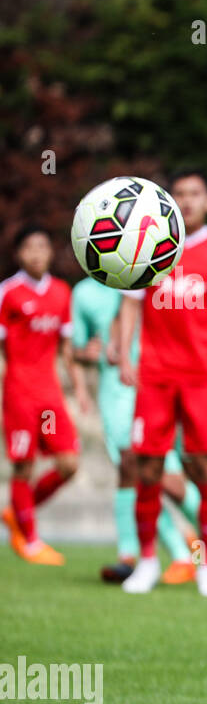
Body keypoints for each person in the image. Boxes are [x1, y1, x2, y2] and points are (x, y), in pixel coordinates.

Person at [116, 169, 207, 597]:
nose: (187, 201)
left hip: (202, 377)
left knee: (204, 468)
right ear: (167, 200)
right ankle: (148, 562)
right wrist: (123, 353)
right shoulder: (146, 243)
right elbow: (131, 305)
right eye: (179, 194)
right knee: (147, 469)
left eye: (195, 194)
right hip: (154, 375)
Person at [71, 275, 202, 584]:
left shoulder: (152, 277)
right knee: (131, 471)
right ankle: (142, 555)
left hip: (153, 385)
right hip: (115, 392)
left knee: (168, 478)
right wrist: (85, 365)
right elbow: (75, 348)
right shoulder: (84, 293)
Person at [1, 225, 88, 566]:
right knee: (23, 465)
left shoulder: (62, 292)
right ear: (18, 254)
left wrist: (78, 389)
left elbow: (67, 348)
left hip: (50, 395)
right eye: (29, 247)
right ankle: (31, 540)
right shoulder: (8, 292)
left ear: (51, 251)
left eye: (42, 245)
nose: (36, 253)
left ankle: (18, 513)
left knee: (68, 463)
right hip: (19, 391)